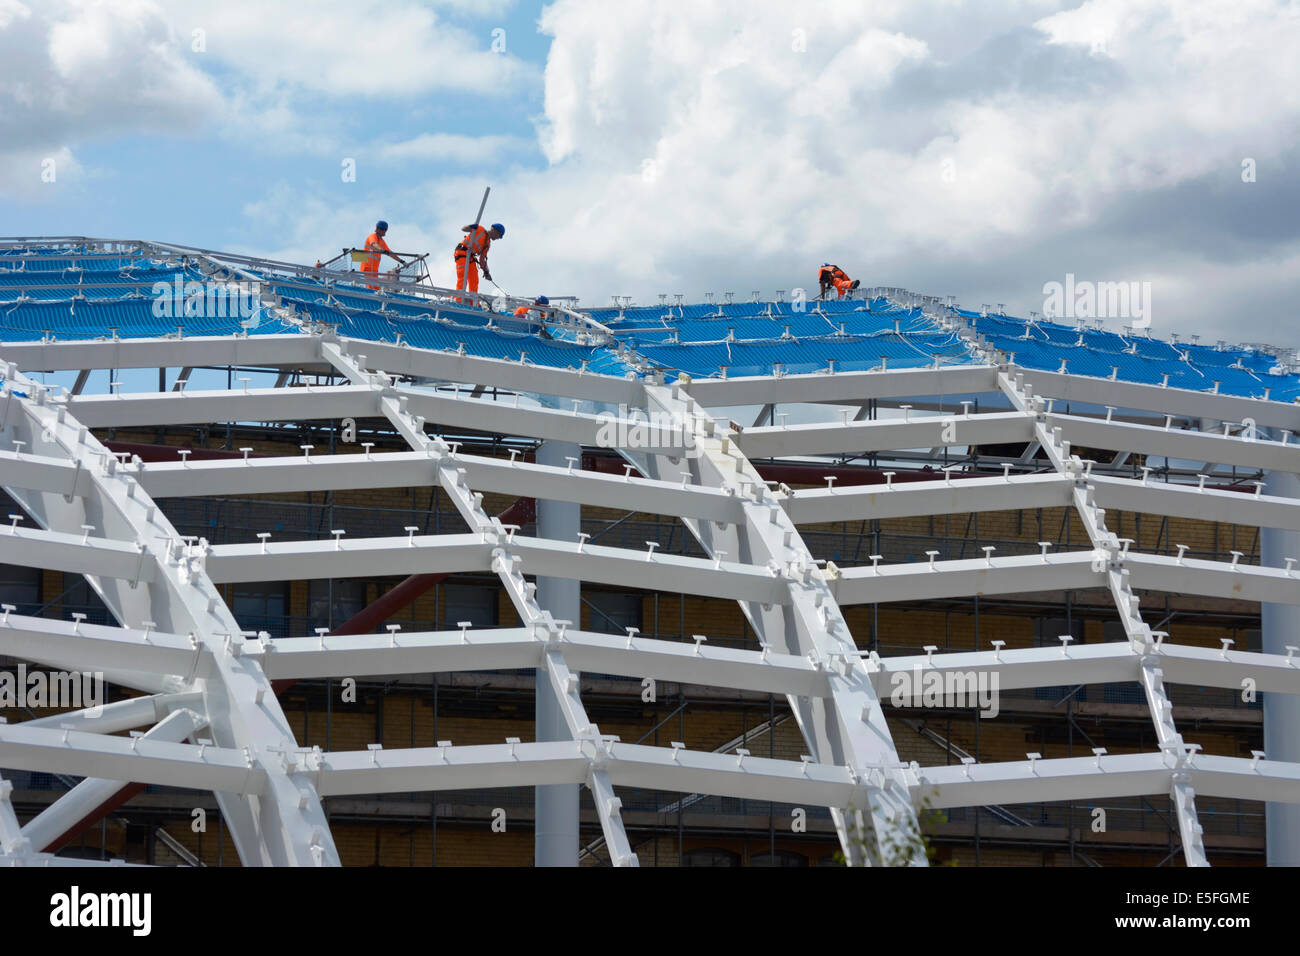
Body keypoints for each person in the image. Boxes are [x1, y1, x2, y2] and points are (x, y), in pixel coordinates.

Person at [454, 222, 504, 300]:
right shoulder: (479, 229)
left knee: (474, 279)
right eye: (499, 236)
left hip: (470, 257)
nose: (498, 238)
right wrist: (470, 226)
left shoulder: (487, 244)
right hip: (462, 252)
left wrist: (486, 271)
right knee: (463, 277)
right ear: (495, 231)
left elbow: (482, 260)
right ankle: (458, 299)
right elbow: (463, 229)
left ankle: (472, 301)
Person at [360, 221, 406, 289]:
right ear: (378, 229)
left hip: (374, 269)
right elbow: (374, 244)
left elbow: (390, 253)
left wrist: (402, 261)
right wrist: (382, 250)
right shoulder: (372, 236)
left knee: (376, 288)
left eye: (385, 230)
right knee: (371, 286)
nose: (384, 231)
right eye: (383, 229)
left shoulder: (381, 241)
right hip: (367, 267)